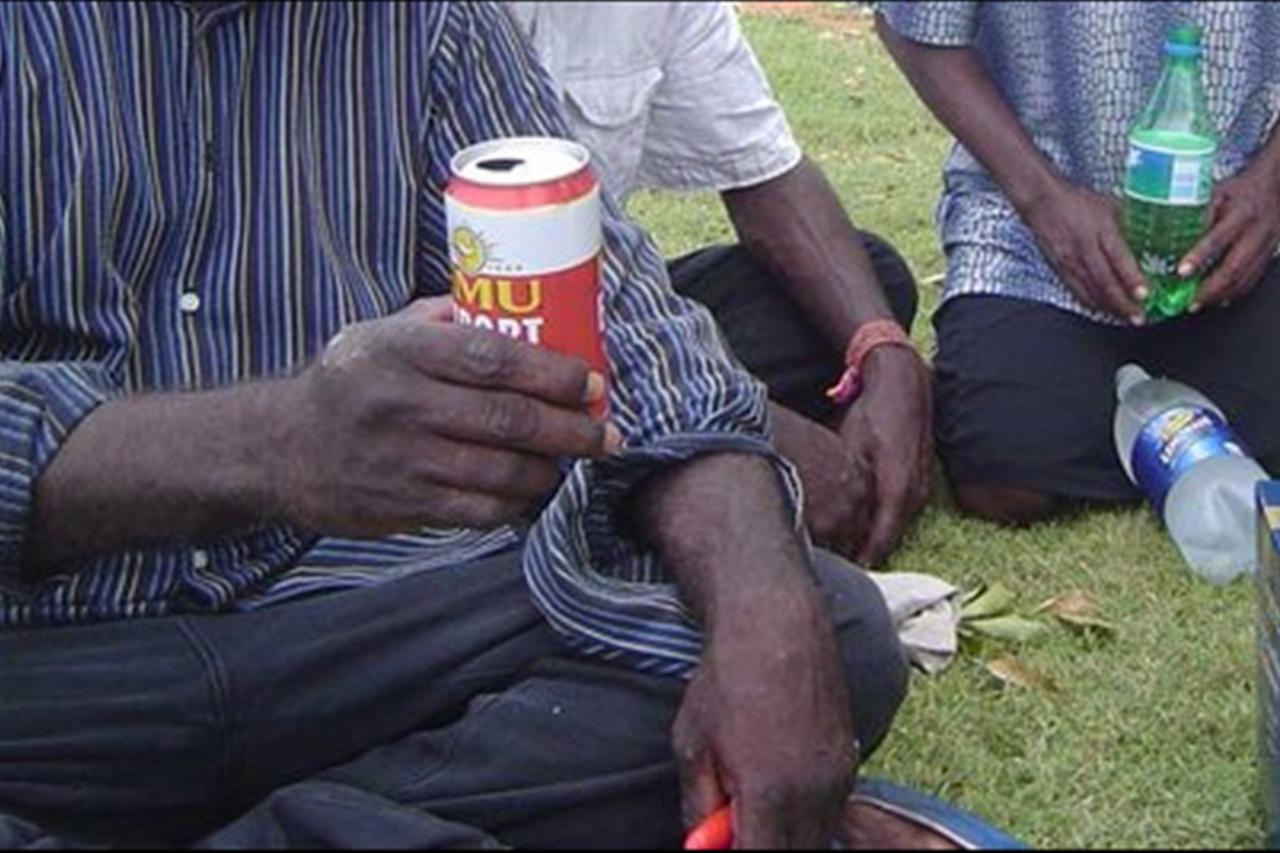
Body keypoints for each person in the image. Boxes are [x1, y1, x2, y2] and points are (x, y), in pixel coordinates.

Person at [0, 2, 920, 848]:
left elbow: (633, 325)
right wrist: (272, 442)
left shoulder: (426, 20)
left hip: (344, 615)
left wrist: (761, 596)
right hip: (51, 659)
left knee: (822, 631)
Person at [507, 2, 933, 566]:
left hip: (612, 321)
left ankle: (643, 454)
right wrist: (745, 418)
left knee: (869, 281)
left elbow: (761, 168)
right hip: (457, 344)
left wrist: (884, 353)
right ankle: (648, 466)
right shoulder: (405, 27)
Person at [876, 2, 1280, 525]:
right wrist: (1045, 202)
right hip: (1031, 221)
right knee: (1004, 476)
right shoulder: (1038, 210)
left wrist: (1268, 190)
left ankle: (1126, 416)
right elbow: (913, 28)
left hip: (1237, 230)